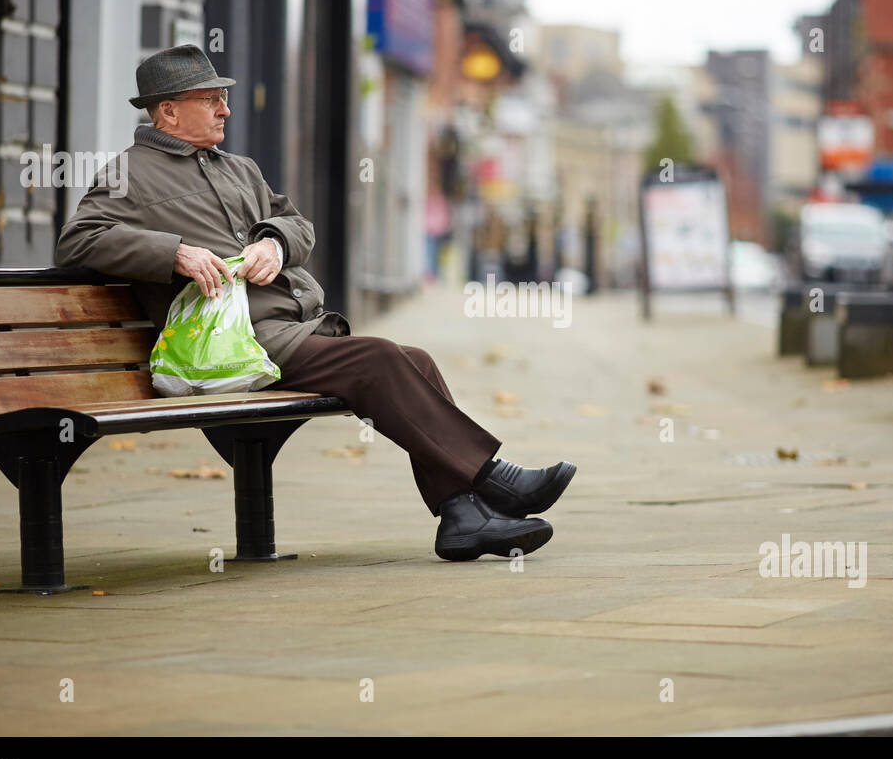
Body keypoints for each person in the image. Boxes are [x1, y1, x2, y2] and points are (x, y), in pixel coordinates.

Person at [55, 45, 575, 561]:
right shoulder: (131, 173)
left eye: (223, 98)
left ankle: (463, 516)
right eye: (210, 99)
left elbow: (298, 224)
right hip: (235, 345)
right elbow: (78, 241)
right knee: (378, 360)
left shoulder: (239, 168)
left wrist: (273, 242)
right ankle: (494, 480)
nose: (225, 109)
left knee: (414, 359)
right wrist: (175, 254)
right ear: (167, 109)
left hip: (288, 328)